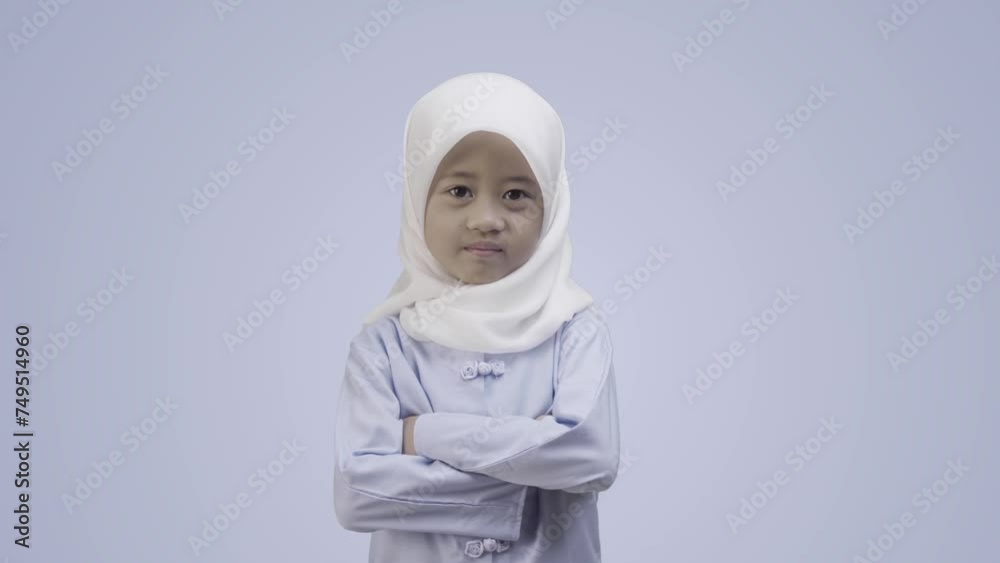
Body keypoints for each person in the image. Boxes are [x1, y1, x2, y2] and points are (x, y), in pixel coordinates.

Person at [333, 71, 621, 562]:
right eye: (460, 191)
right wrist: (527, 475)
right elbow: (358, 494)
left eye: (516, 195)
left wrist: (421, 433)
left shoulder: (576, 329)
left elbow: (590, 456)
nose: (487, 218)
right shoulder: (382, 345)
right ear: (416, 197)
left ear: (551, 207)